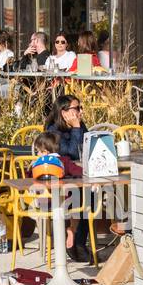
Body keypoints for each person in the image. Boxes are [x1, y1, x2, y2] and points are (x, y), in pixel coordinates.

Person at [44, 93, 93, 261]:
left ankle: (78, 240)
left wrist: (78, 127)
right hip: (59, 182)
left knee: (93, 194)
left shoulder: (78, 125)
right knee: (83, 195)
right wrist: (77, 127)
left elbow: (86, 149)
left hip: (78, 175)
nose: (80, 111)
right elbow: (72, 152)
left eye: (80, 107)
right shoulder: (52, 130)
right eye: (77, 108)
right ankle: (74, 239)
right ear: (64, 113)